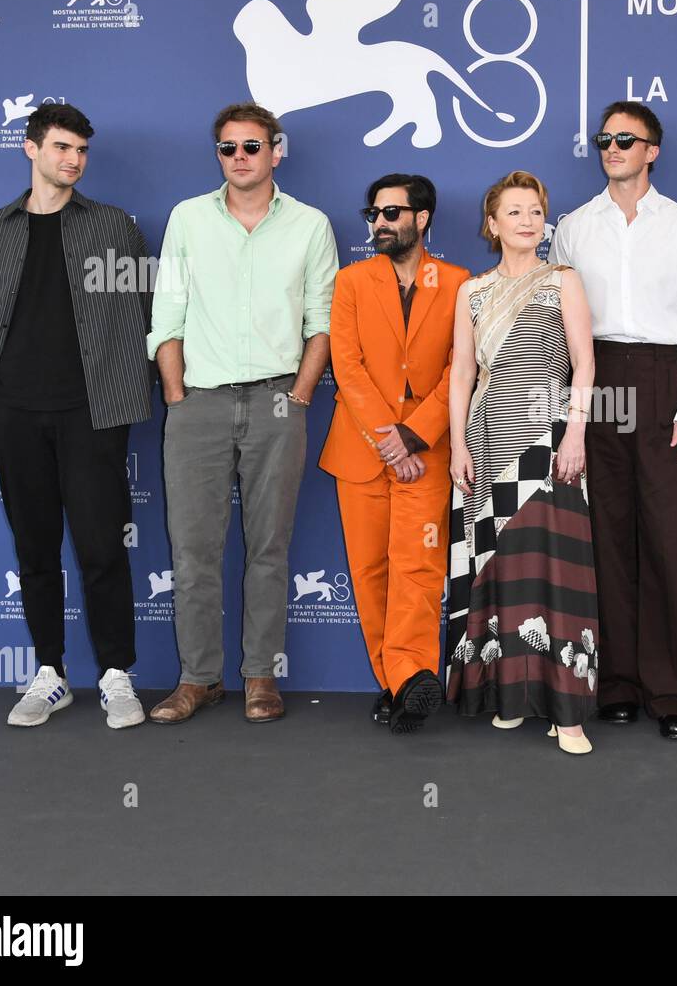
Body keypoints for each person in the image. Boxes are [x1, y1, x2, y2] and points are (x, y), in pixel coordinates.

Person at [0, 102, 154, 729]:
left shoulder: (113, 227)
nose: (74, 160)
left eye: (82, 151)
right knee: (35, 547)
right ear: (30, 148)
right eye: (63, 148)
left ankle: (116, 674)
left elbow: (141, 320)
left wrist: (127, 401)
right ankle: (50, 672)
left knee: (103, 546)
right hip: (14, 410)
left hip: (93, 411)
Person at [147, 102, 338, 724]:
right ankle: (198, 679)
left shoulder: (309, 224)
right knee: (194, 549)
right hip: (197, 401)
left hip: (278, 398)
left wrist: (303, 395)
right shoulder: (187, 218)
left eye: (251, 147)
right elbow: (166, 313)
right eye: (227, 148)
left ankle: (261, 676)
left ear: (275, 151)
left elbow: (322, 322)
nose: (239, 158)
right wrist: (176, 395)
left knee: (269, 547)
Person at [548, 102, 677, 740]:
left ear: (653, 150)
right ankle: (616, 683)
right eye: (605, 138)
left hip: (662, 383)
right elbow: (558, 328)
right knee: (607, 539)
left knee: (670, 543)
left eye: (627, 139)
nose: (613, 147)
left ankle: (674, 692)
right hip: (594, 380)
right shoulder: (573, 228)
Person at [447, 171, 598, 755]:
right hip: (487, 442)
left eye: (535, 210)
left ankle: (568, 712)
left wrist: (577, 432)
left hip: (549, 442)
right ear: (492, 224)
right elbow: (463, 372)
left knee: (555, 573)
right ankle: (508, 696)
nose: (526, 220)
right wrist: (459, 443)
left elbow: (584, 364)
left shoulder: (563, 281)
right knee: (502, 571)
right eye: (513, 211)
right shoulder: (472, 291)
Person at [319, 174, 468, 733]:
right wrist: (389, 435)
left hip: (426, 451)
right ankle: (399, 681)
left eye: (391, 213)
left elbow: (461, 367)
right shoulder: (352, 281)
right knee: (370, 570)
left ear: (422, 218)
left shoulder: (458, 284)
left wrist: (416, 434)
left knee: (419, 567)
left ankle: (410, 676)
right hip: (363, 449)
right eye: (373, 214)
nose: (379, 223)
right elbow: (347, 364)